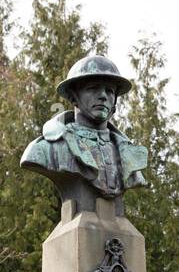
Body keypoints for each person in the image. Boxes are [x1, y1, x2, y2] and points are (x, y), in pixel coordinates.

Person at [20, 53, 147, 211]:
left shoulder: (129, 155)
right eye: (92, 88)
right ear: (74, 97)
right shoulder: (47, 149)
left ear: (115, 102)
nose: (102, 96)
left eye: (109, 91)